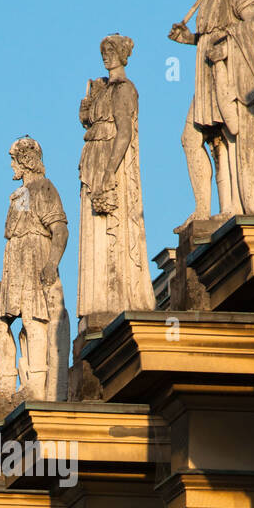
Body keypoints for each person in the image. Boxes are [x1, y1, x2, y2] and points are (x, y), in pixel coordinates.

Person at [168, 0, 254, 219]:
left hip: (230, 72)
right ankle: (203, 208)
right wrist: (188, 38)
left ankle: (231, 207)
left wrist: (225, 50)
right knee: (194, 138)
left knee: (228, 134)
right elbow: (206, 37)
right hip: (207, 75)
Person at [0, 137, 69, 404]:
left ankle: (34, 384)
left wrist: (52, 263)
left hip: (36, 261)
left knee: (34, 320)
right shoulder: (18, 196)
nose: (11, 165)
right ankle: (6, 387)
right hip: (16, 268)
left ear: (26, 161)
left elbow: (60, 229)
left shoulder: (44, 188)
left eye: (14, 160)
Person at [78, 34, 154, 322]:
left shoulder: (124, 89)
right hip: (93, 159)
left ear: (123, 55)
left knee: (111, 231)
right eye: (103, 51)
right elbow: (90, 122)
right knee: (95, 232)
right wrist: (86, 112)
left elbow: (124, 133)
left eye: (111, 51)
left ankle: (114, 297)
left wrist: (110, 170)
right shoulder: (101, 90)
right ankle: (98, 299)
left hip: (109, 161)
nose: (106, 56)